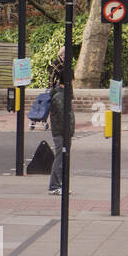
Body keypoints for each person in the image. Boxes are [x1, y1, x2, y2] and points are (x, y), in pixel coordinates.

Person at [47, 60, 74, 195]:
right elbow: (64, 117)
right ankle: (54, 186)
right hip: (60, 132)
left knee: (63, 158)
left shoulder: (62, 94)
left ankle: (59, 184)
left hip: (63, 132)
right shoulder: (60, 96)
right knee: (60, 158)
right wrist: (68, 132)